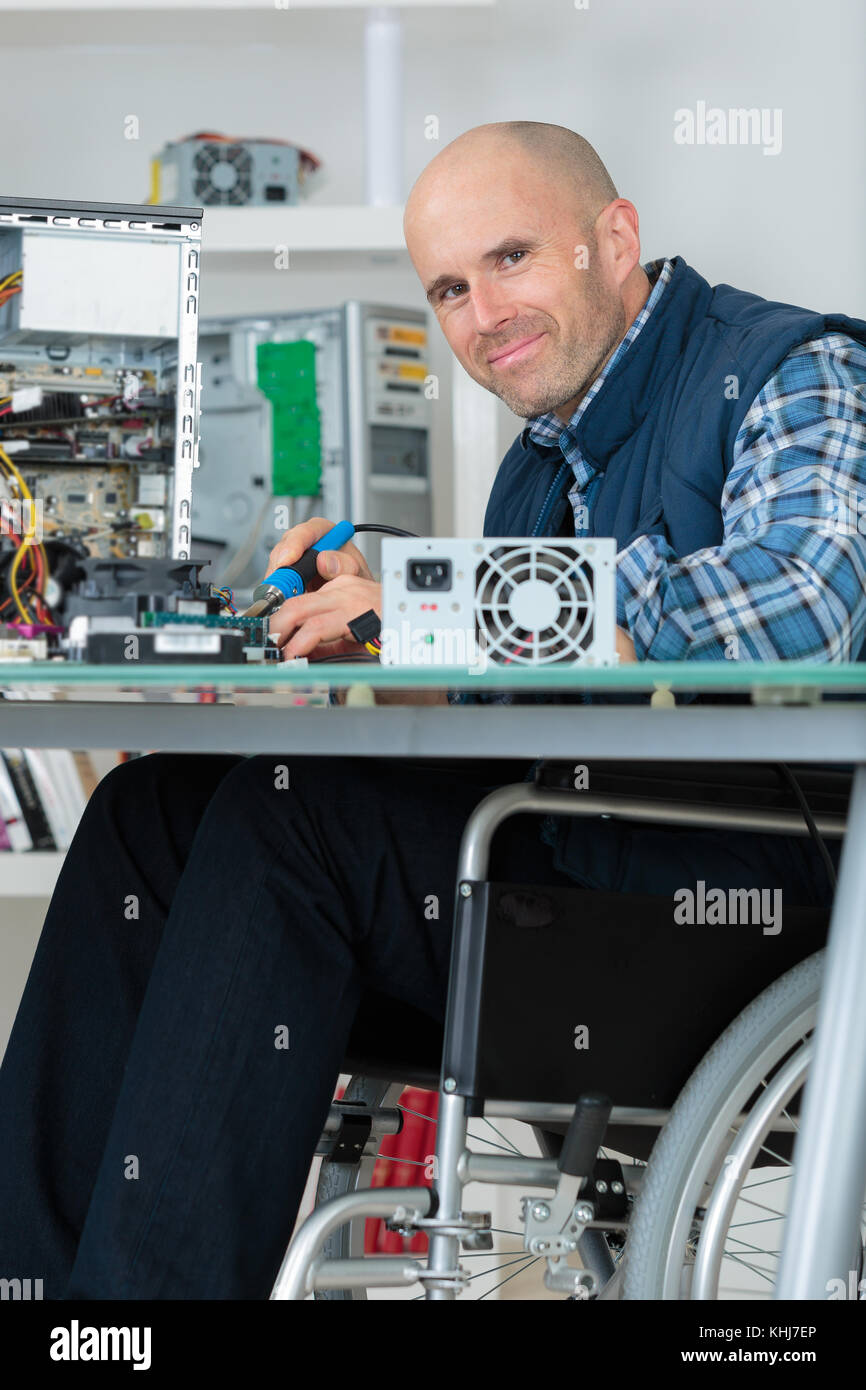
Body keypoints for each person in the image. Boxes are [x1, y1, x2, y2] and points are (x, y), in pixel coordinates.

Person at [1, 121, 864, 1300]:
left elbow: (804, 599)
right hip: (565, 864)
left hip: (718, 914)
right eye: (447, 287)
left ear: (613, 240)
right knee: (150, 811)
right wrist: (370, 604)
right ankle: (43, 1305)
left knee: (291, 819)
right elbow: (532, 672)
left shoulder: (789, 369)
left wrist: (435, 601)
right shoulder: (544, 456)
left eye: (508, 258)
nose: (478, 313)